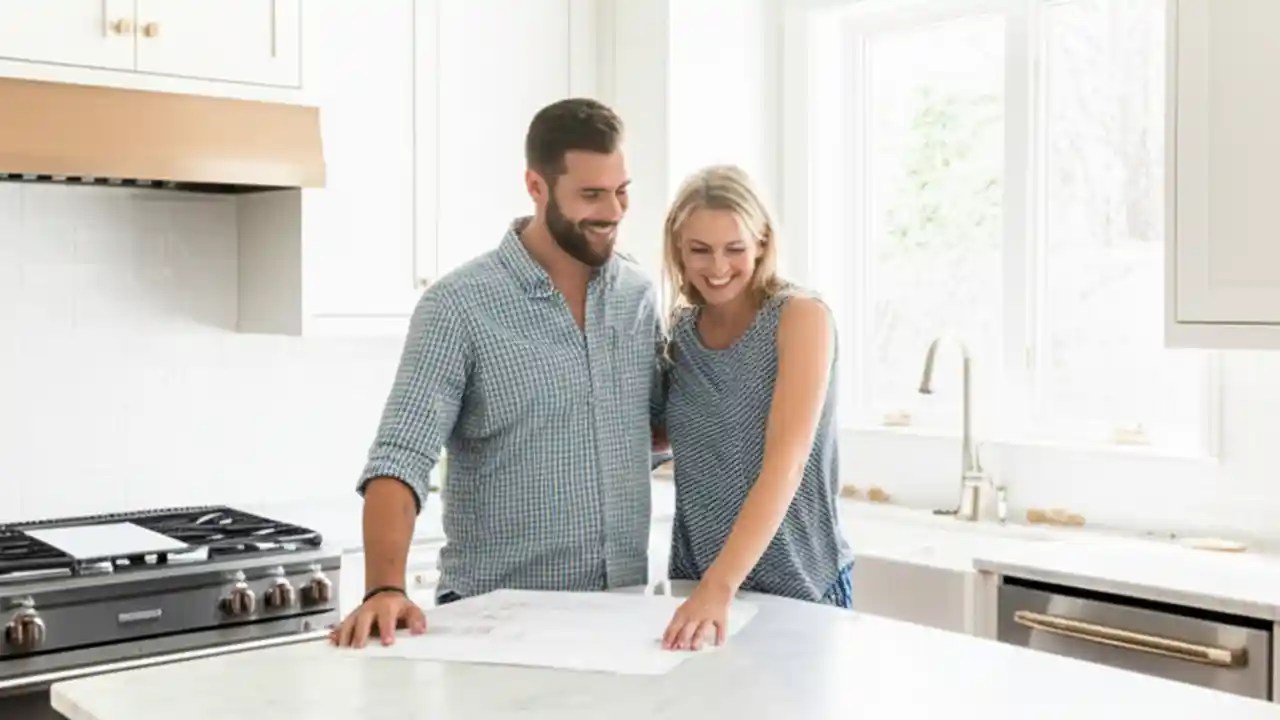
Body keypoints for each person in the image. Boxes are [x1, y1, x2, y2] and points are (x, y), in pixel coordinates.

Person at [331, 98, 666, 649]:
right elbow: (400, 455)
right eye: (590, 194)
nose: (613, 210)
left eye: (621, 190)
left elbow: (650, 426)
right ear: (536, 187)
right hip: (496, 628)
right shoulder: (459, 305)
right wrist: (384, 588)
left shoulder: (636, 296)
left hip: (621, 623)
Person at [656, 164, 854, 652]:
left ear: (763, 242)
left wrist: (718, 588)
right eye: (700, 250)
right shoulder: (680, 332)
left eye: (735, 249)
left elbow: (785, 464)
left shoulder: (801, 318)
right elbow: (666, 438)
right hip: (697, 588)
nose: (717, 266)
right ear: (678, 249)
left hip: (799, 586)